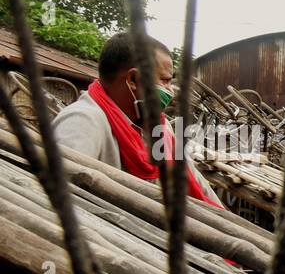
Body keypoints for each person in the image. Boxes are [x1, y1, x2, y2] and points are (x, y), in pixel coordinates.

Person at [51, 32, 223, 207]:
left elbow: (195, 180)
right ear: (133, 79)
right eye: (165, 81)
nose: (170, 90)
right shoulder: (82, 122)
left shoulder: (161, 129)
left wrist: (225, 218)